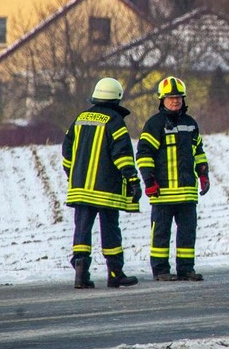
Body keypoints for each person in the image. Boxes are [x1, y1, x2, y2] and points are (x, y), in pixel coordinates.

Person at [62, 77, 141, 289]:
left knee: (82, 230)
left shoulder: (80, 118)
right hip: (106, 190)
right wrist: (132, 180)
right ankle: (115, 273)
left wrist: (72, 174)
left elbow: (67, 152)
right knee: (110, 229)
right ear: (117, 98)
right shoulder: (115, 121)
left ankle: (80, 275)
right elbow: (122, 155)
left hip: (80, 189)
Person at [137, 76, 210, 282]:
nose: (175, 101)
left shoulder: (190, 123)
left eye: (178, 97)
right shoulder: (154, 124)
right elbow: (144, 154)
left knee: (187, 232)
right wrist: (149, 182)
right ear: (162, 100)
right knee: (161, 233)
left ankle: (186, 269)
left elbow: (198, 152)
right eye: (171, 97)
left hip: (187, 194)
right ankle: (160, 270)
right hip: (163, 193)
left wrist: (203, 174)